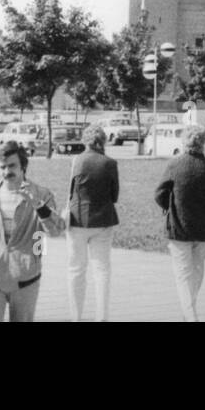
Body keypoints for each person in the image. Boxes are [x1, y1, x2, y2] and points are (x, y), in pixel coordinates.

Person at [0, 140, 65, 322]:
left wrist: (38, 205)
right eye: (2, 167)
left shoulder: (42, 194)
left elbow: (56, 231)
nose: (7, 171)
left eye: (12, 166)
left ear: (23, 166)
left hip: (25, 279)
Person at [154, 124, 205, 321]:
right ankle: (189, 311)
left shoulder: (174, 164)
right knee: (197, 271)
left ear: (184, 141)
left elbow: (159, 193)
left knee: (183, 274)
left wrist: (168, 206)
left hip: (178, 226)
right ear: (203, 142)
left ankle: (189, 313)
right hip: (202, 226)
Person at [66, 123, 119, 321]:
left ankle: (76, 316)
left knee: (76, 269)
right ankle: (102, 316)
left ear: (85, 140)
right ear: (103, 141)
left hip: (78, 219)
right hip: (104, 220)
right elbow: (115, 195)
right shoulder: (110, 163)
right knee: (102, 269)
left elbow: (70, 192)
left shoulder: (77, 161)